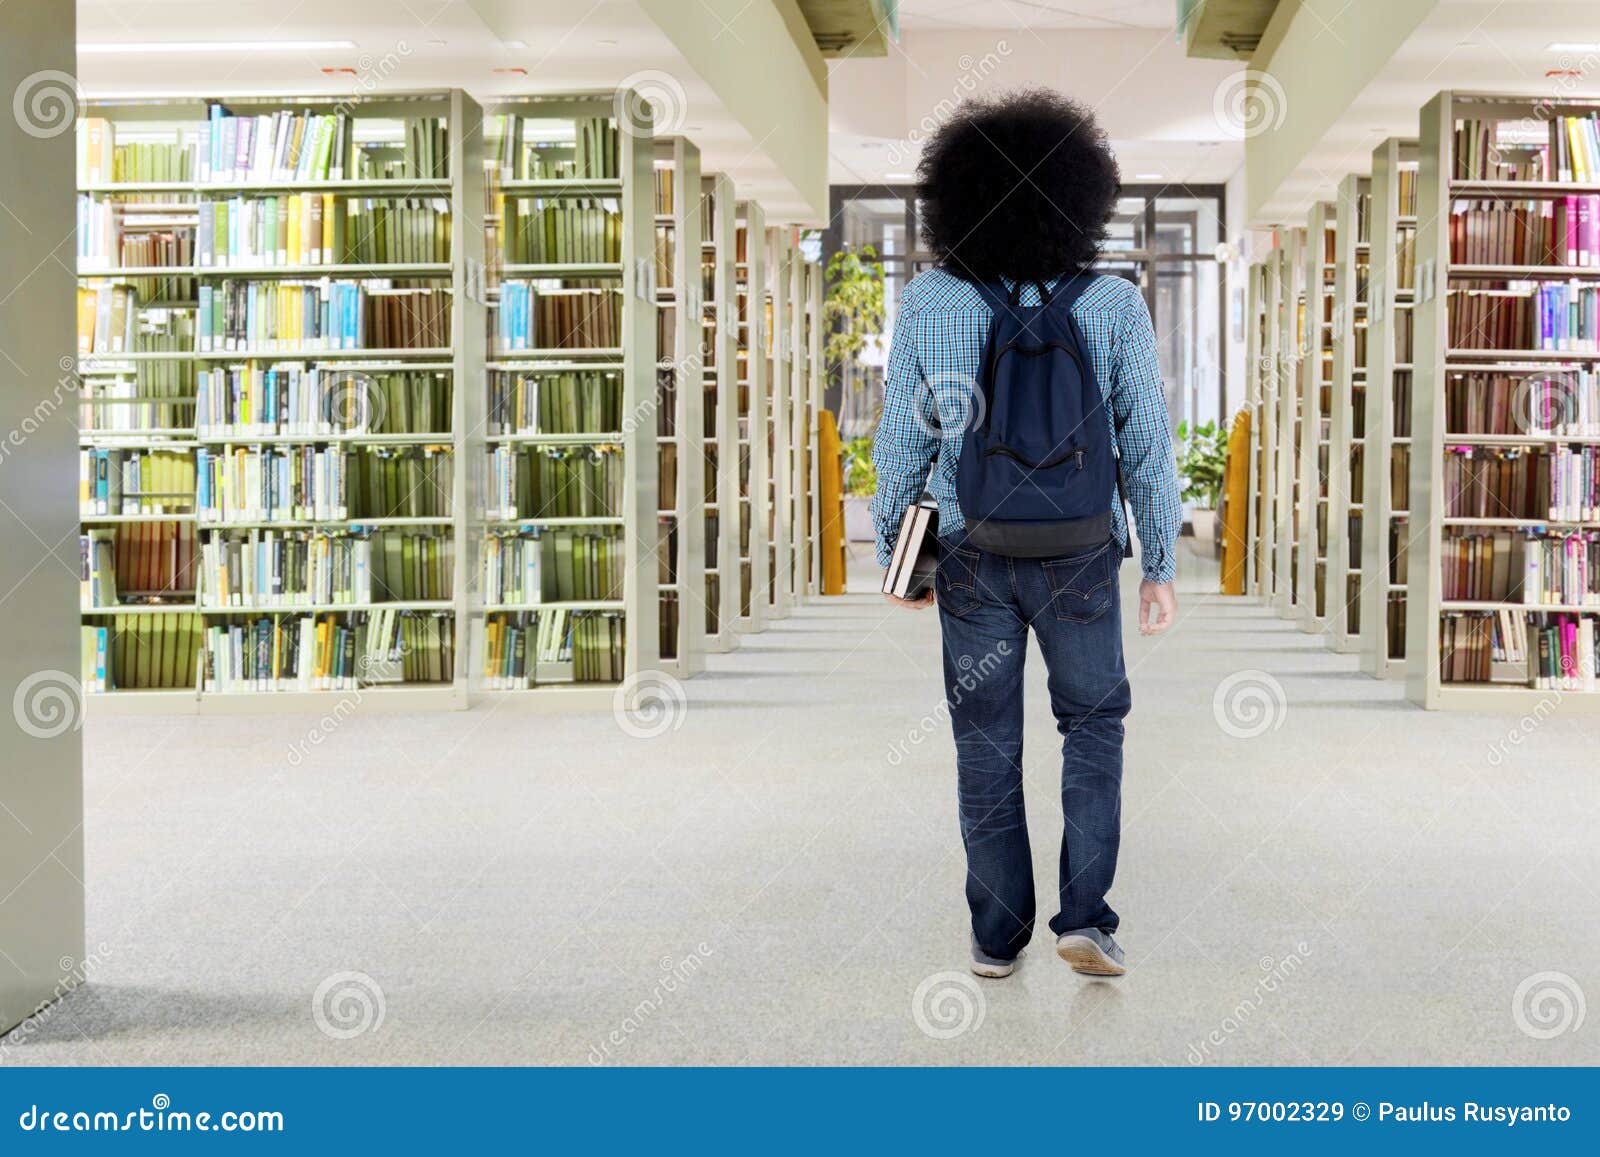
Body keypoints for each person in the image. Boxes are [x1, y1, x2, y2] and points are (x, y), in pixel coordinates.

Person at [871, 89, 1182, 980]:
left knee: (985, 740)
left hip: (971, 556)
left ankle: (996, 936)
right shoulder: (1113, 304)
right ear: (1080, 197)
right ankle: (1085, 916)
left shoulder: (931, 301)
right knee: (1093, 726)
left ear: (954, 196)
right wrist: (1159, 561)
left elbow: (902, 440)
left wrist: (901, 551)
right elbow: (1144, 444)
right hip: (1082, 551)